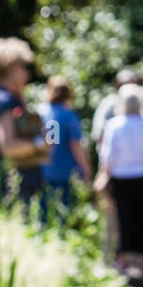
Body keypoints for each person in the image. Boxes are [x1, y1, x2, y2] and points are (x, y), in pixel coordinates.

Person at [99, 84, 143, 276]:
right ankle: (141, 259)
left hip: (121, 177)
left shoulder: (114, 124)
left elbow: (107, 156)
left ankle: (123, 259)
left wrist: (104, 174)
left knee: (125, 217)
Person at [0, 37, 48, 213]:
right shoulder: (3, 101)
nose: (27, 74)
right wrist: (40, 145)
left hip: (8, 178)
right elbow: (8, 146)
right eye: (23, 67)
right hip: (13, 183)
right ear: (10, 66)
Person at [92, 68, 141, 261]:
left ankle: (131, 259)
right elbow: (99, 136)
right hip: (112, 170)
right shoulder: (109, 105)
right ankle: (108, 259)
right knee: (111, 217)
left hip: (134, 172)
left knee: (134, 215)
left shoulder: (140, 105)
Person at [38, 76, 91, 218]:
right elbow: (76, 146)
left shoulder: (39, 112)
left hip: (41, 170)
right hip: (63, 172)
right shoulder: (68, 116)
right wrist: (86, 169)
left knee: (43, 214)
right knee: (63, 214)